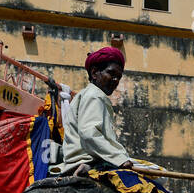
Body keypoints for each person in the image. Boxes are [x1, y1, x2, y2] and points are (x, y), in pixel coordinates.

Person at [57, 46, 136, 177]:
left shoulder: (88, 94)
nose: (115, 80)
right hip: (88, 161)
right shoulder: (95, 95)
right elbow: (89, 133)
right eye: (111, 73)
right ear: (94, 73)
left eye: (118, 77)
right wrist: (120, 159)